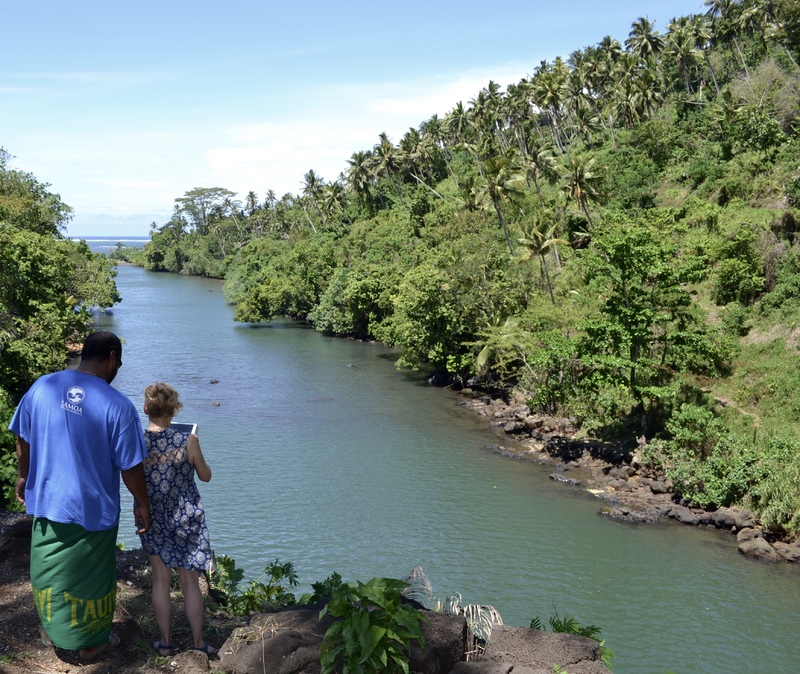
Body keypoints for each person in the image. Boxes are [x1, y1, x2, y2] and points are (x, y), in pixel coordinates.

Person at [9, 330, 151, 662]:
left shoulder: (44, 386)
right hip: (92, 509)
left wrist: (22, 475)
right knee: (91, 577)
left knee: (49, 570)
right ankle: (88, 644)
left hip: (46, 499)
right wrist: (142, 502)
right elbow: (131, 466)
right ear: (112, 357)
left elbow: (23, 437)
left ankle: (52, 630)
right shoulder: (118, 406)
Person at [139, 381, 214, 656]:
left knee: (160, 579)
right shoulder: (187, 440)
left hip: (152, 515)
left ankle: (166, 643)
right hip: (187, 517)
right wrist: (196, 449)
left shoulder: (137, 441)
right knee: (190, 582)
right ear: (174, 411)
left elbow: (129, 476)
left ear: (146, 409)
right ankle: (198, 644)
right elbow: (205, 476)